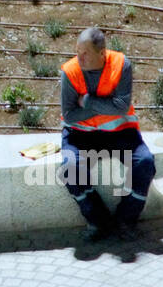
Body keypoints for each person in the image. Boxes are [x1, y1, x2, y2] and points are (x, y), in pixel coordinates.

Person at [58, 27, 155, 242]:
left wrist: (88, 102)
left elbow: (121, 107)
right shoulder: (70, 72)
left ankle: (125, 219)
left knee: (145, 163)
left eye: (85, 53)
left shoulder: (122, 65)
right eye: (77, 52)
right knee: (69, 169)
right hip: (79, 135)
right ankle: (98, 220)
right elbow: (70, 114)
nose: (79, 58)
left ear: (102, 53)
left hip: (120, 133)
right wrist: (106, 105)